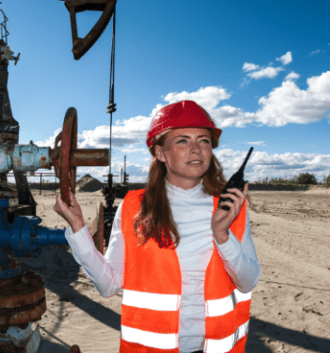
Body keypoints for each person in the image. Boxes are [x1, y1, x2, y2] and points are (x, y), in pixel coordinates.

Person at [54, 100, 260, 353]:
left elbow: (248, 282)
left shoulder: (231, 208)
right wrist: (78, 229)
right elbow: (108, 285)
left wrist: (222, 235)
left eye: (203, 140)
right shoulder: (134, 208)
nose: (196, 149)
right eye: (182, 140)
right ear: (161, 153)